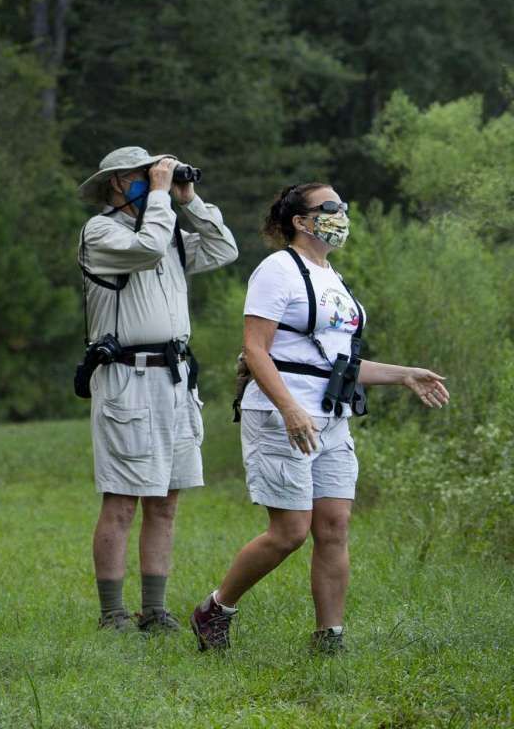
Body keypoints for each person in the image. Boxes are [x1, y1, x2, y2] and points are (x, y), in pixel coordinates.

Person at [190, 182, 449, 654]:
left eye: (343, 206)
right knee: (289, 532)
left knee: (334, 526)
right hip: (282, 416)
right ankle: (215, 609)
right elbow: (255, 349)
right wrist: (290, 408)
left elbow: (338, 364)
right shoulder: (277, 270)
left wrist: (404, 374)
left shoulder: (334, 279)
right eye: (330, 208)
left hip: (331, 418)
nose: (341, 214)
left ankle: (329, 638)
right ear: (300, 221)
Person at [76, 146, 238, 633]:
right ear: (116, 185)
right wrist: (165, 198)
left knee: (166, 500)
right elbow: (146, 250)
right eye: (141, 176)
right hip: (127, 378)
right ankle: (112, 613)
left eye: (155, 173)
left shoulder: (167, 228)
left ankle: (156, 609)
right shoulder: (101, 232)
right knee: (122, 499)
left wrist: (188, 200)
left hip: (173, 376)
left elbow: (225, 249)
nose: (152, 181)